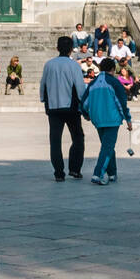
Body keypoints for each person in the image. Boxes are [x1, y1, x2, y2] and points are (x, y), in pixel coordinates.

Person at [39, 36, 86, 182]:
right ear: (72, 49)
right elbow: (80, 88)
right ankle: (75, 169)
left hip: (53, 107)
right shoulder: (74, 66)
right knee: (78, 138)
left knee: (55, 140)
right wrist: (84, 104)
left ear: (57, 48)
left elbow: (43, 85)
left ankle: (59, 172)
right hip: (71, 108)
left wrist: (44, 100)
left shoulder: (49, 64)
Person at [82, 57, 133, 184]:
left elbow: (83, 102)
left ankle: (112, 173)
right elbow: (122, 102)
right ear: (113, 69)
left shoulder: (93, 83)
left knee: (107, 146)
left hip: (97, 119)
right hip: (112, 119)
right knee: (107, 147)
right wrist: (128, 119)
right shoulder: (115, 83)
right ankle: (97, 174)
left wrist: (86, 114)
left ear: (100, 68)